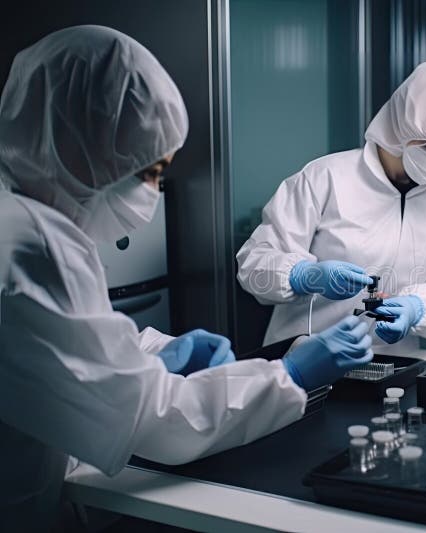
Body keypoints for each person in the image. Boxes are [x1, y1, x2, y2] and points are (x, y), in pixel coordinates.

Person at [0, 25, 371, 530]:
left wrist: (157, 350)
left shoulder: (21, 219)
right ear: (76, 141)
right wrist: (289, 377)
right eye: (151, 172)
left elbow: (69, 348)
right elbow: (158, 423)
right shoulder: (36, 247)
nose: (155, 193)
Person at [237, 60, 426, 353]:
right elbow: (254, 264)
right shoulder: (325, 178)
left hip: (394, 362)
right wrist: (304, 276)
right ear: (401, 127)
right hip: (303, 355)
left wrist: (417, 307)